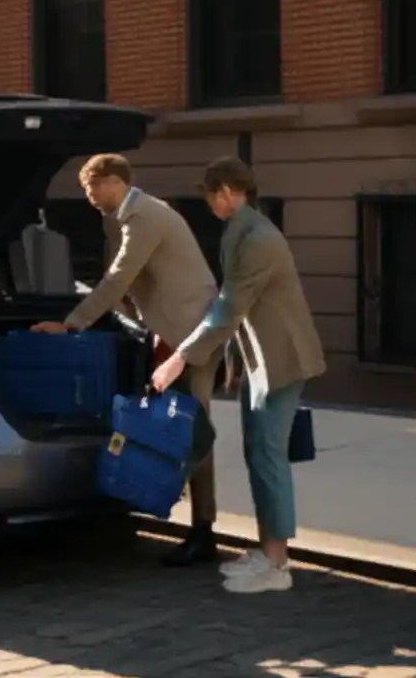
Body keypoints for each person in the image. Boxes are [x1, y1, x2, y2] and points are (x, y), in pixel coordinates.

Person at [30, 153, 224, 568]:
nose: (89, 197)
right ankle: (182, 515)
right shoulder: (124, 217)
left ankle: (203, 531)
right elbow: (127, 285)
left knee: (190, 426)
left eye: (92, 188)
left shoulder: (146, 216)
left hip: (189, 334)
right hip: (169, 330)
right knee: (176, 425)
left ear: (115, 181)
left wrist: (72, 324)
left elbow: (119, 275)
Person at [151, 156, 326, 594]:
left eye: (210, 195)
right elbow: (240, 310)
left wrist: (180, 359)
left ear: (226, 192)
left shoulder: (259, 239)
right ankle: (267, 550)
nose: (210, 203)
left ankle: (276, 564)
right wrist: (233, 360)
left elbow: (228, 308)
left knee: (268, 457)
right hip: (259, 362)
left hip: (283, 361)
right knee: (257, 454)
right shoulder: (242, 232)